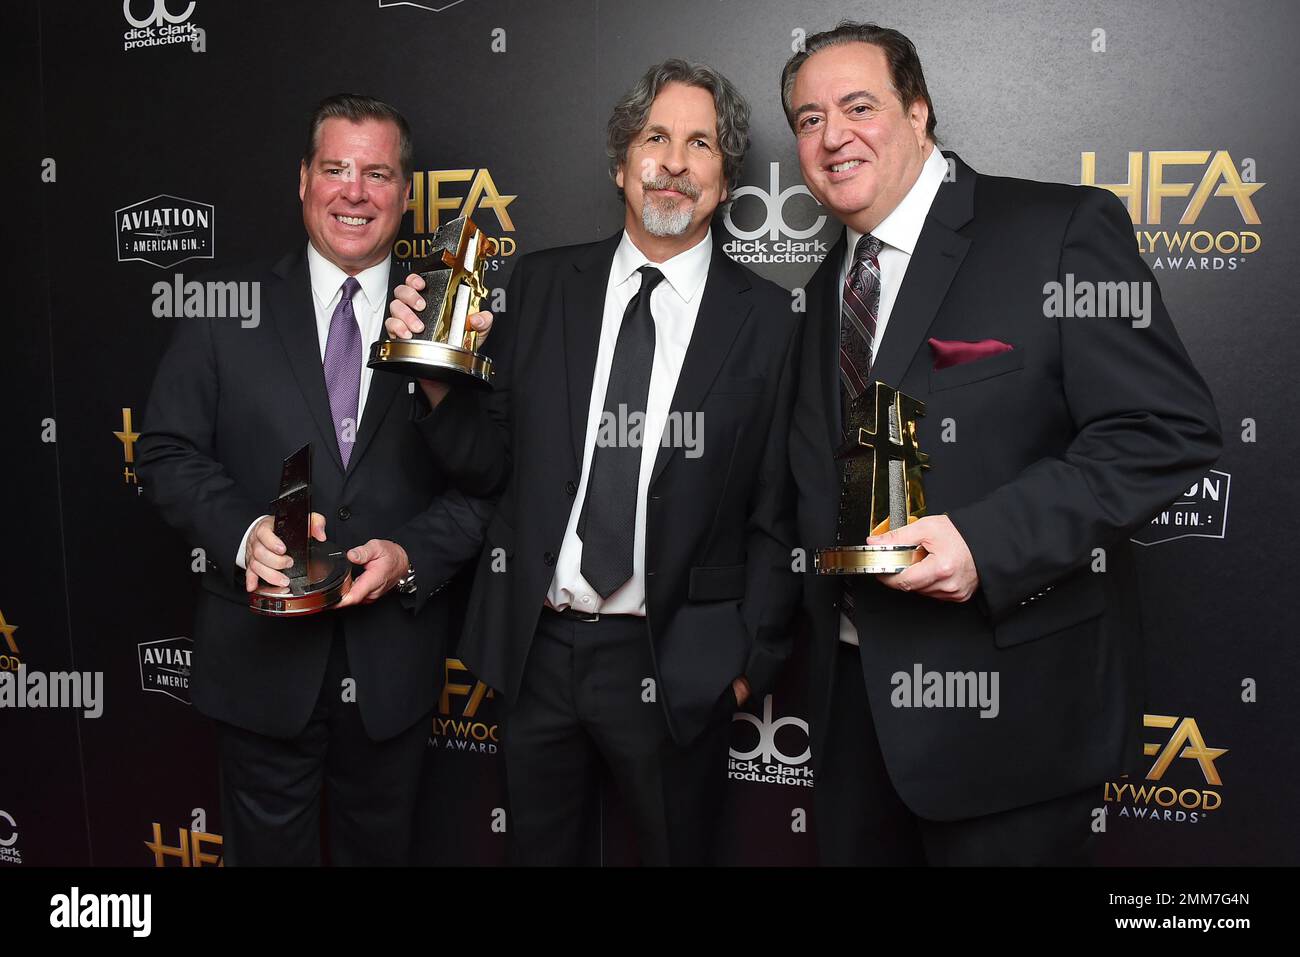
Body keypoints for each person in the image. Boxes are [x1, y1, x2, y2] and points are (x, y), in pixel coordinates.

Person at [782, 22, 1222, 864]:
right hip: (850, 729)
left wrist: (985, 541)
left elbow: (1165, 428)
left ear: (919, 112)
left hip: (1009, 730)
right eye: (807, 118)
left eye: (858, 106)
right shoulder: (817, 296)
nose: (831, 134)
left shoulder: (1056, 230)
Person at [386, 59, 802, 865]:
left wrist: (748, 669)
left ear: (725, 178)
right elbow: (489, 466)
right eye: (655, 138)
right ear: (621, 165)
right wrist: (439, 389)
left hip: (676, 658)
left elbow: (776, 512)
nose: (675, 161)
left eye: (700, 144)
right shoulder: (541, 285)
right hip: (539, 649)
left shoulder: (770, 323)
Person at [137, 94, 491, 865]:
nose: (354, 192)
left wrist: (410, 556)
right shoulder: (221, 308)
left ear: (404, 192)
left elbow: (487, 482)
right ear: (303, 180)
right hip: (260, 668)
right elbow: (164, 449)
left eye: (377, 173)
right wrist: (242, 532)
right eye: (335, 168)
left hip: (391, 673)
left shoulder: (450, 316)